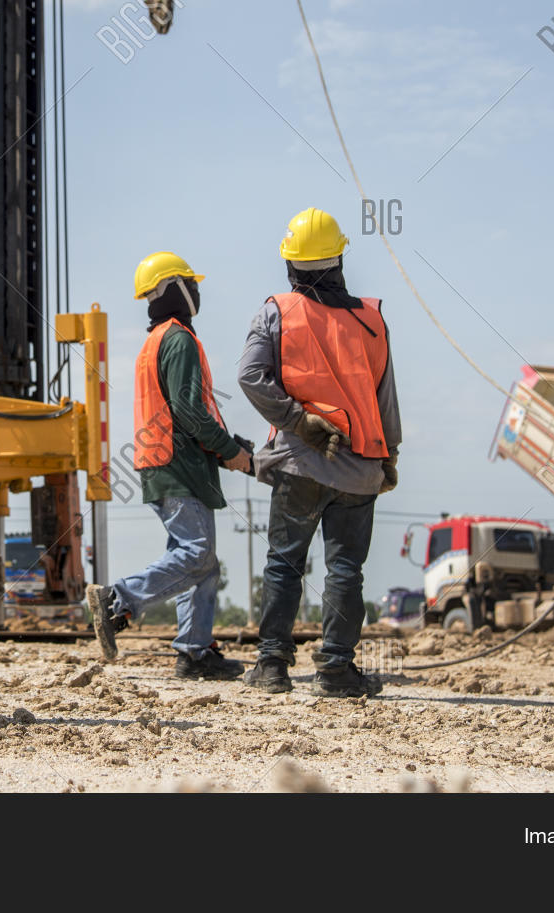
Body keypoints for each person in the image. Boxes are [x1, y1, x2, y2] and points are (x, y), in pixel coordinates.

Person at [236, 208, 401, 697]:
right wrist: (389, 454)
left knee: (284, 563)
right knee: (346, 569)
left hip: (299, 465)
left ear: (290, 264)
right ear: (340, 258)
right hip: (358, 469)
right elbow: (385, 395)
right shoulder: (371, 319)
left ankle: (271, 666)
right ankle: (334, 670)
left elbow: (250, 376)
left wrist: (297, 421)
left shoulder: (276, 312)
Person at [86, 251, 250, 680]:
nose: (196, 290)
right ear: (173, 289)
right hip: (177, 465)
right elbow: (189, 412)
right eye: (189, 283)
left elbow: (184, 413)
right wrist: (229, 451)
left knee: (202, 563)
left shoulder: (155, 341)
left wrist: (226, 447)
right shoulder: (178, 339)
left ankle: (194, 653)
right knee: (198, 555)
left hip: (166, 461)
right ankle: (119, 600)